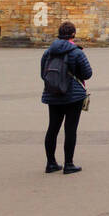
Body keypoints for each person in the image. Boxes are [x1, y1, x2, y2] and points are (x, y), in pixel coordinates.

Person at [40, 21, 93, 174]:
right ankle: (68, 164)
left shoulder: (48, 52)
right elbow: (87, 74)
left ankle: (51, 163)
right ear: (73, 34)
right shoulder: (76, 52)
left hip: (53, 94)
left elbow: (43, 74)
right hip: (73, 96)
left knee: (52, 128)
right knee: (70, 130)